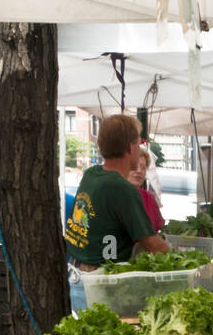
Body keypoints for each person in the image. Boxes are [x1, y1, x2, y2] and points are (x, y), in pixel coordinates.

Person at [64, 114, 170, 311]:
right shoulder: (122, 189)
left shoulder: (91, 174)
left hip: (76, 275)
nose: (139, 148)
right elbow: (153, 244)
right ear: (130, 148)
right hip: (99, 284)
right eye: (138, 143)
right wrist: (184, 259)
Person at [126, 147, 164, 232]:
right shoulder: (113, 195)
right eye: (134, 166)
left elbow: (159, 229)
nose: (139, 171)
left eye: (143, 168)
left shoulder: (149, 198)